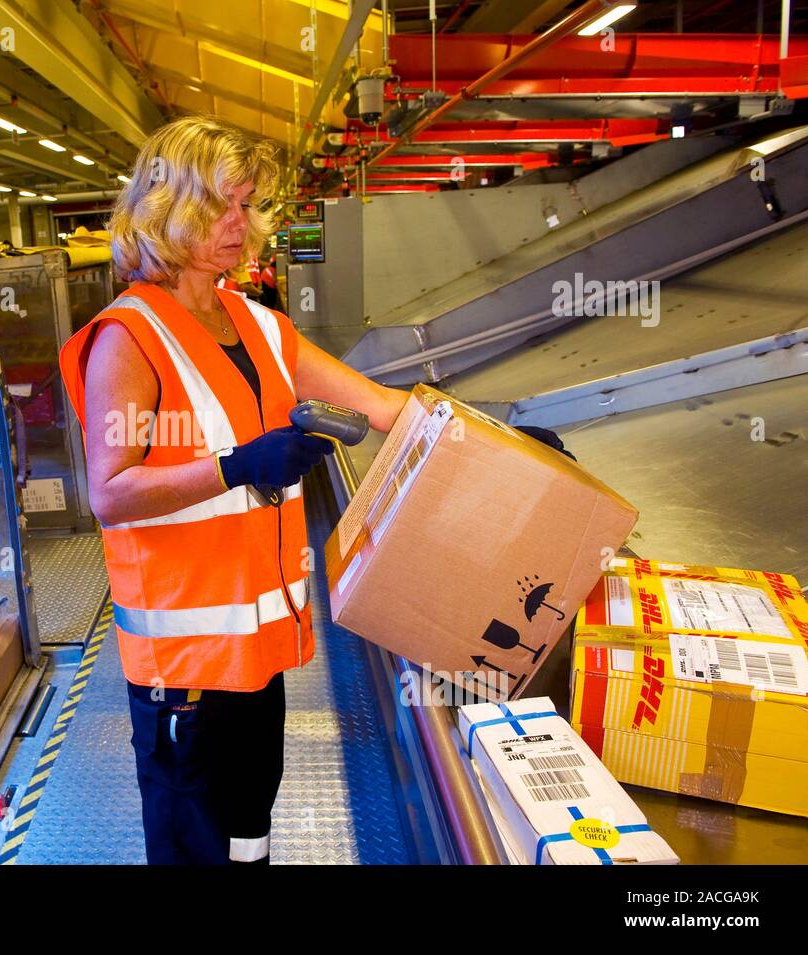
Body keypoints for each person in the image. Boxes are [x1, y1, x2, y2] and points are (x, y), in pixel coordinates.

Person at [57, 115, 568, 865]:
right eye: (222, 205)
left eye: (247, 205)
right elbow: (111, 492)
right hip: (185, 672)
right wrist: (240, 464)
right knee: (194, 846)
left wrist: (506, 438)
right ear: (168, 209)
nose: (241, 223)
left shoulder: (256, 324)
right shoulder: (127, 338)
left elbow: (385, 407)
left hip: (256, 654)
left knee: (250, 830)